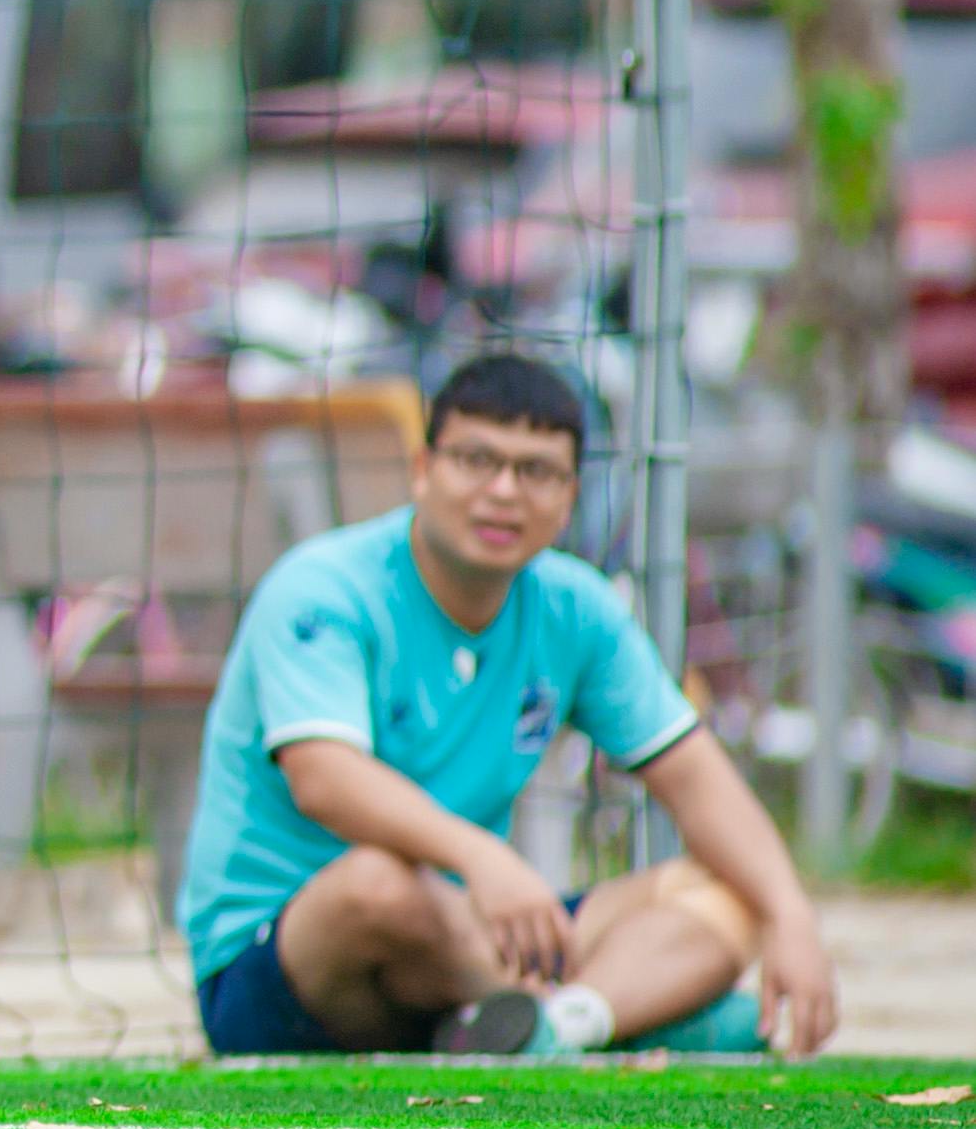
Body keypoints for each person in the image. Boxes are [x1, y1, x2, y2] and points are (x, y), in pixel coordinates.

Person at [182, 352, 837, 1058]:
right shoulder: (323, 588)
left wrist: (790, 916)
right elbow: (323, 777)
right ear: (421, 469)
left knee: (730, 886)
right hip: (283, 960)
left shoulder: (576, 606)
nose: (503, 491)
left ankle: (560, 1027)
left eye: (536, 472)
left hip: (471, 931)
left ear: (568, 497)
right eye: (476, 460)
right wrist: (484, 858)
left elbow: (695, 776)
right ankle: (626, 1012)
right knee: (378, 885)